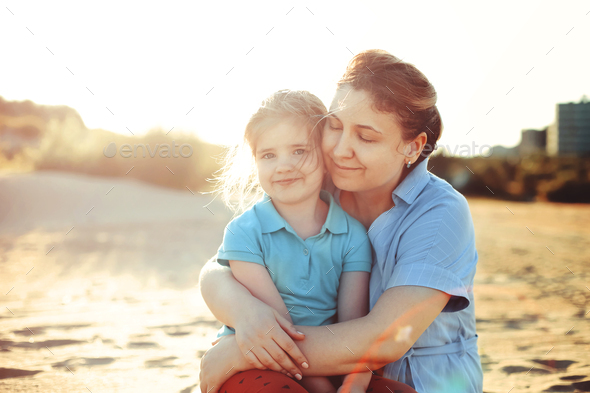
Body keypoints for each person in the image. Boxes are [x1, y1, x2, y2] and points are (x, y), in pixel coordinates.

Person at [199, 49, 484, 393]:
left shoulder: (440, 213)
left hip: (419, 382)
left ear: (412, 147)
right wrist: (246, 315)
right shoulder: (319, 181)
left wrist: (244, 352)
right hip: (317, 376)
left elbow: (388, 338)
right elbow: (220, 268)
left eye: (365, 137)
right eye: (334, 126)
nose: (339, 149)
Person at [207, 89, 382, 393]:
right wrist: (323, 389)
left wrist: (354, 384)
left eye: (298, 151)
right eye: (268, 155)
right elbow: (279, 332)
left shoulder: (353, 235)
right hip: (256, 360)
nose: (283, 165)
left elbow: (354, 328)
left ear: (326, 156)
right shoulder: (244, 232)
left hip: (328, 364)